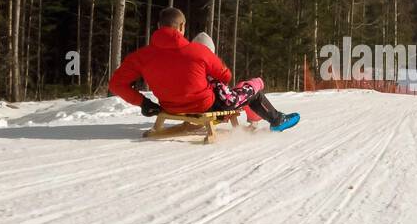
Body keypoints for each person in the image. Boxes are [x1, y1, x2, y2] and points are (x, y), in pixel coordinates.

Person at [108, 7, 300, 132]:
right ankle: (276, 119)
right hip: (205, 106)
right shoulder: (198, 51)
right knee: (253, 92)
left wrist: (143, 102)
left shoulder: (142, 56)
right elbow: (226, 75)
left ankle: (266, 118)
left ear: (158, 26)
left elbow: (116, 84)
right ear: (182, 27)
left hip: (169, 107)